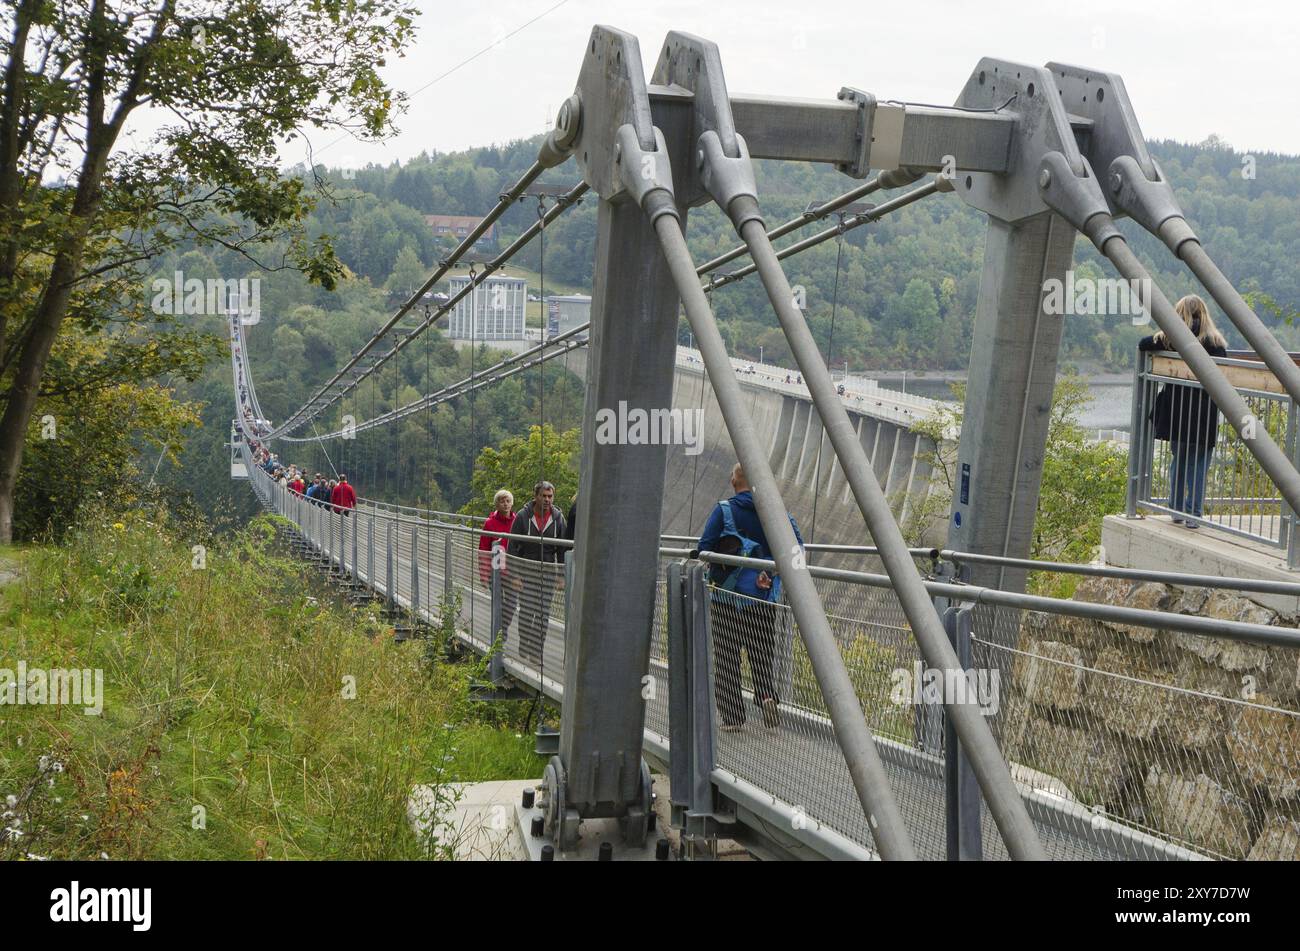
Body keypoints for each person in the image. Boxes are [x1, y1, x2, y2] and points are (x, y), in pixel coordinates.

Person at [696, 463, 803, 732]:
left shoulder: (725, 510)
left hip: (727, 598)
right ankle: (766, 695)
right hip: (763, 597)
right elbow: (797, 550)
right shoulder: (780, 515)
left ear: (735, 480)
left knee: (727, 656)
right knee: (761, 652)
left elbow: (704, 548)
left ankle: (732, 717)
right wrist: (773, 571)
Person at [1140, 294, 1228, 528]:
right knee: (1199, 464)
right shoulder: (1215, 342)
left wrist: (1164, 333)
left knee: (1179, 461)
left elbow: (1142, 343)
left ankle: (1176, 511)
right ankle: (1194, 515)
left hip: (1177, 411)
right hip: (1204, 412)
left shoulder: (1170, 338)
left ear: (1178, 314)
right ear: (1205, 314)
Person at [507, 480, 567, 667]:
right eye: (544, 496)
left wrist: (561, 575)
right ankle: (524, 642)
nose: (547, 500)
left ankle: (536, 652)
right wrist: (515, 575)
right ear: (536, 496)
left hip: (548, 572)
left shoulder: (558, 518)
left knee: (542, 613)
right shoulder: (523, 517)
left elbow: (563, 549)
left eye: (550, 496)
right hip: (526, 571)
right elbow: (512, 547)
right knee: (527, 611)